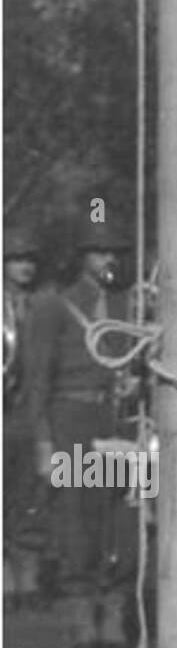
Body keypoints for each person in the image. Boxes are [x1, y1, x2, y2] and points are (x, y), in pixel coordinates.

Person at [21, 216, 135, 648]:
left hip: (124, 425)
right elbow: (37, 381)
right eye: (100, 251)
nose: (109, 260)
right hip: (74, 424)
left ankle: (116, 626)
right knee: (78, 525)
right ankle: (85, 631)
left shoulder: (133, 307)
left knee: (125, 526)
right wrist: (44, 443)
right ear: (81, 257)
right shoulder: (55, 306)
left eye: (115, 252)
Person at [3, 224, 48, 609]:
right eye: (16, 259)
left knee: (31, 494)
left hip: (30, 413)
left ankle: (29, 580)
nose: (24, 267)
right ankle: (4, 580)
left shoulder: (45, 304)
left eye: (30, 259)